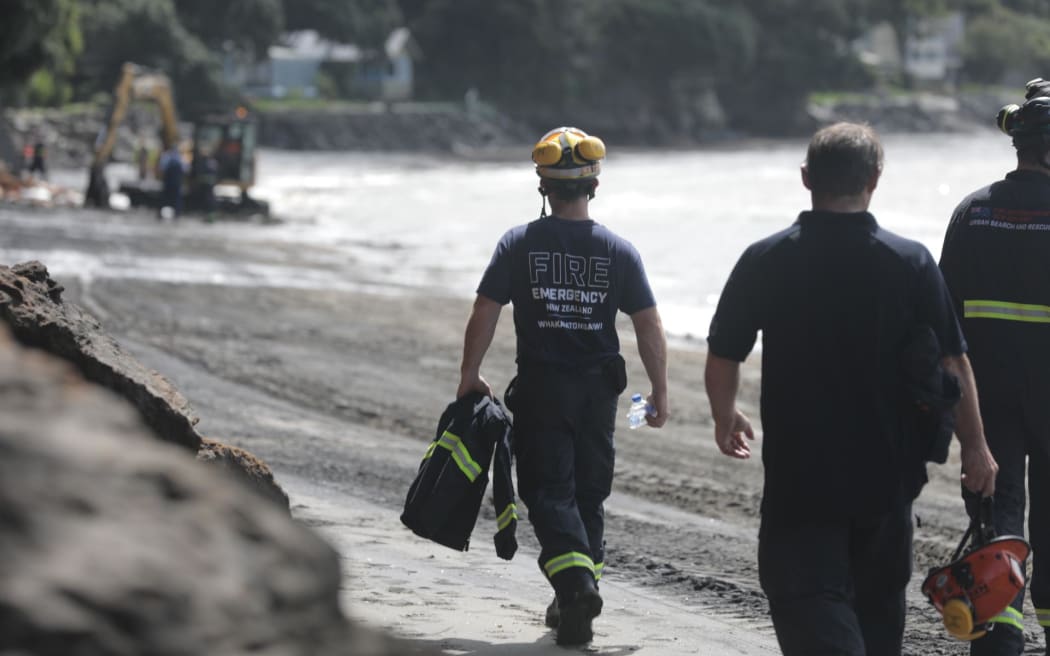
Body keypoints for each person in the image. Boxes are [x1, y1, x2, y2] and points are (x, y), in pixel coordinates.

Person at [704, 122, 998, 656]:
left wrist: (725, 413)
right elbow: (954, 361)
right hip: (887, 476)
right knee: (879, 612)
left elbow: (725, 352)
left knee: (805, 598)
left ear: (805, 177)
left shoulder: (767, 259)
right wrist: (975, 447)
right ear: (875, 179)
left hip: (801, 475)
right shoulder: (910, 262)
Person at [456, 126, 669, 646]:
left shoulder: (518, 244)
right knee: (588, 494)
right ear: (593, 186)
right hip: (601, 393)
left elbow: (486, 310)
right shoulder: (620, 251)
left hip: (544, 389)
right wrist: (659, 390)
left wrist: (470, 374)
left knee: (549, 492)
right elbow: (647, 322)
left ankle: (574, 586)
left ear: (544, 187)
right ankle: (575, 595)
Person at [939, 78, 1050, 656]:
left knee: (998, 533)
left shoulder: (972, 214)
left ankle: (999, 643)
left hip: (987, 411)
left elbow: (940, 326)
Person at [158, 143, 186, 219]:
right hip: (176, 182)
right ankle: (177, 214)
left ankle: (161, 213)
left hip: (169, 182)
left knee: (165, 199)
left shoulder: (166, 156)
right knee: (175, 200)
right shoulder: (180, 157)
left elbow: (162, 168)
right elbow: (185, 169)